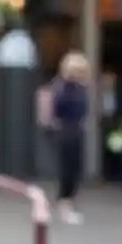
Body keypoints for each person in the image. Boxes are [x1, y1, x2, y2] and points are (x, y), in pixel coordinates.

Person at [51, 52, 90, 225]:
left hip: (77, 129)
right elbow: (58, 109)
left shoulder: (81, 88)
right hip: (66, 130)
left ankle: (68, 203)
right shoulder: (63, 87)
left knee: (75, 169)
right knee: (67, 170)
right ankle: (64, 205)